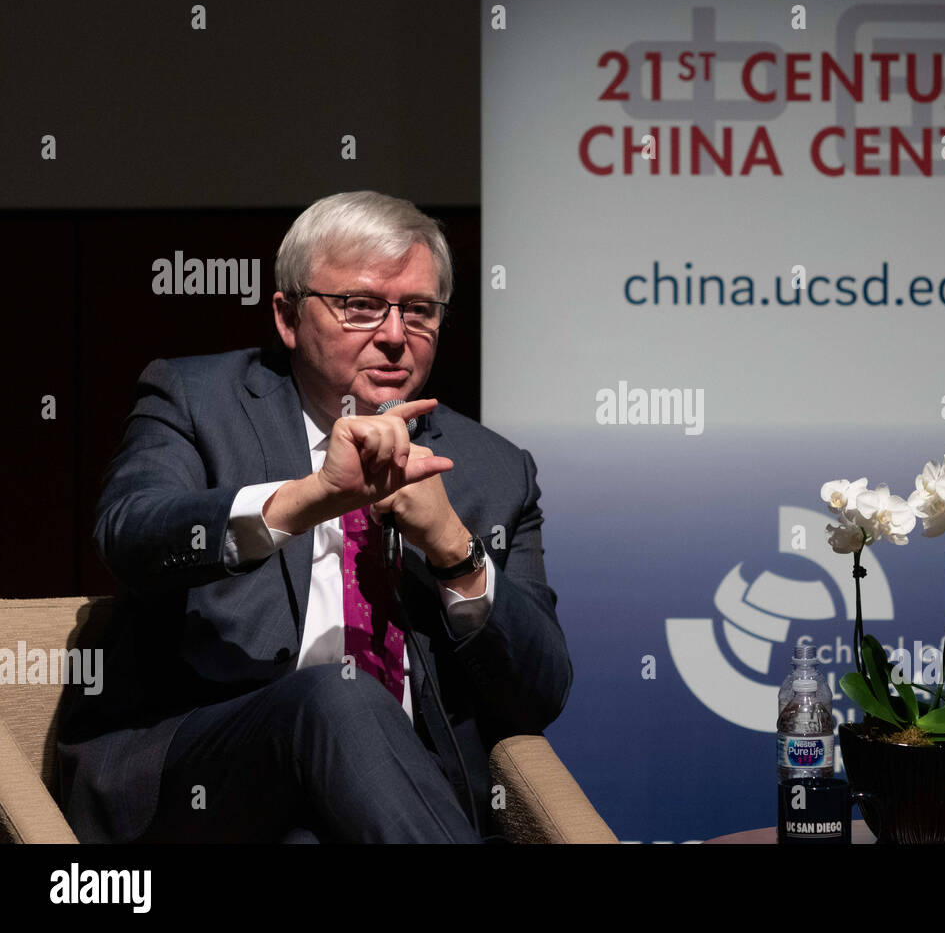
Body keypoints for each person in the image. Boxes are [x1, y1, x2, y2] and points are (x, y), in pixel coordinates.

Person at [57, 190, 572, 842]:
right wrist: (310, 497)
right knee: (339, 693)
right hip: (204, 773)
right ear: (287, 315)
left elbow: (541, 692)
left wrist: (451, 545)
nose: (393, 336)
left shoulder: (493, 468)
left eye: (419, 311)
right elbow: (129, 535)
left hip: (389, 801)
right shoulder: (198, 401)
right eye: (360, 306)